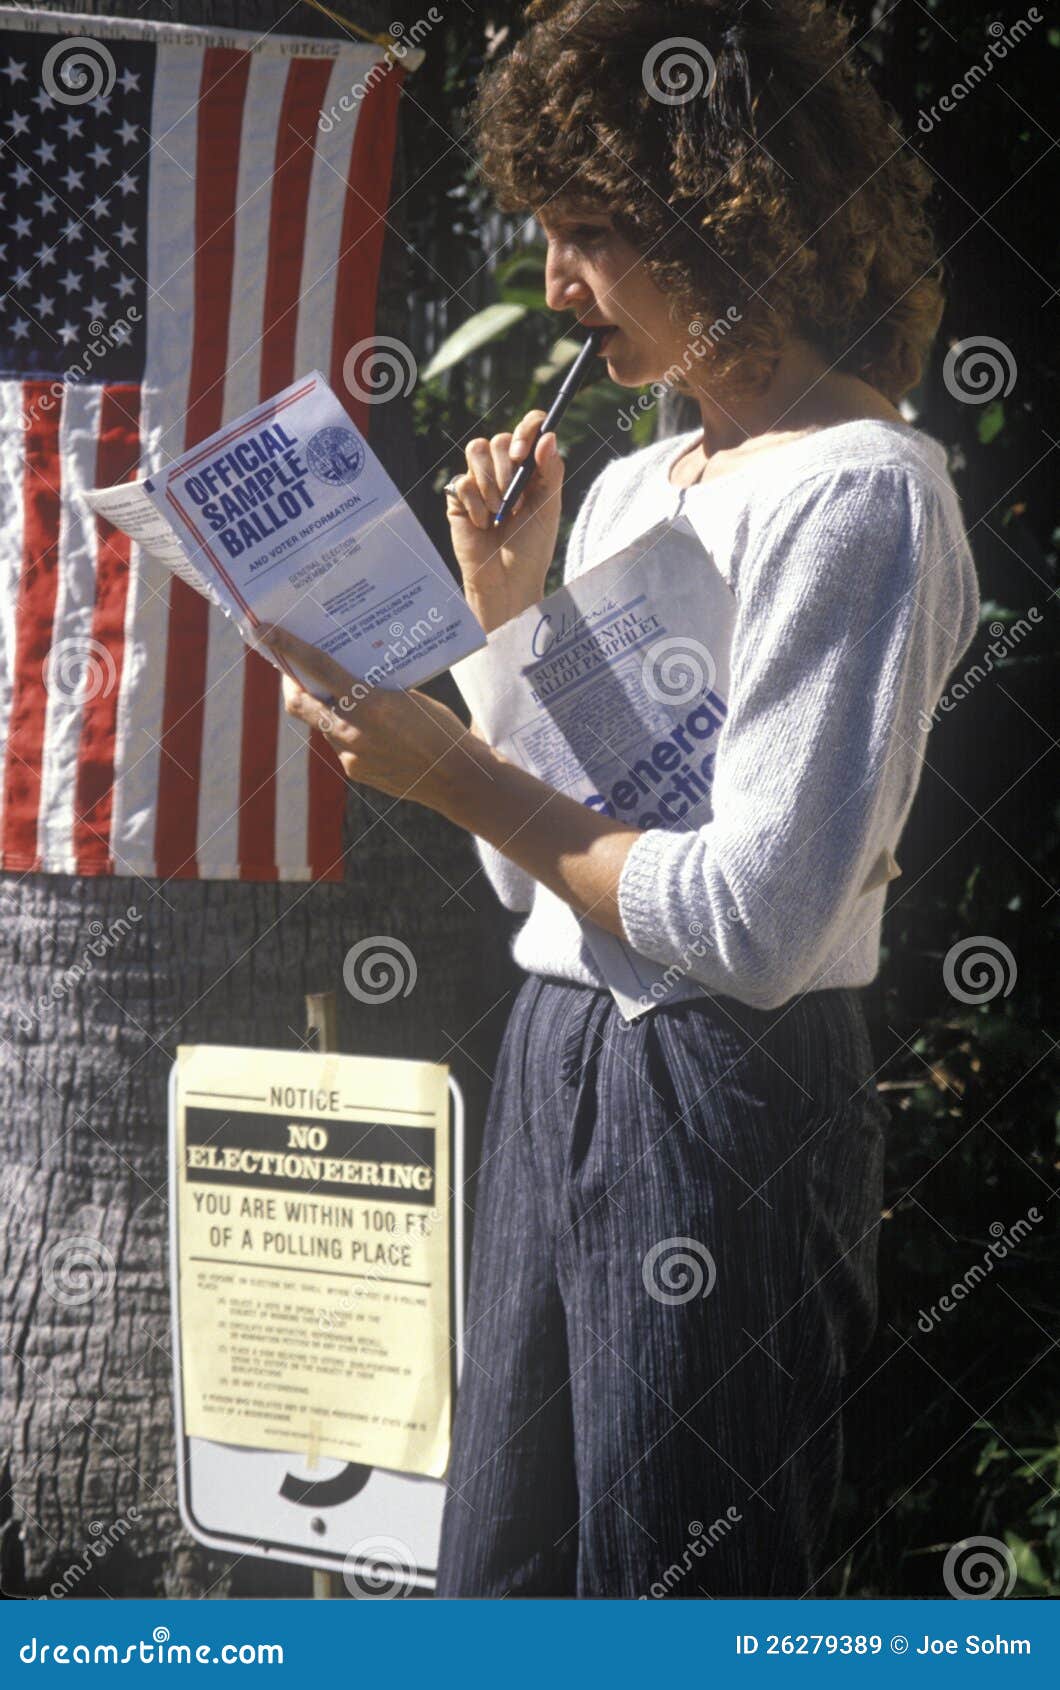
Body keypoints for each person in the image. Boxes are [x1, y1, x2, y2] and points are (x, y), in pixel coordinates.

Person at [262, 0, 980, 1598]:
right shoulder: (645, 477)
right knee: (500, 1568)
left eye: (588, 232)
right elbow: (537, 883)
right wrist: (503, 614)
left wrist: (455, 763)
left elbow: (751, 922)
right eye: (546, 232)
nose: (555, 284)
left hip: (724, 1088)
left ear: (733, 213)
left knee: (678, 1576)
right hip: (558, 1054)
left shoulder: (864, 492)